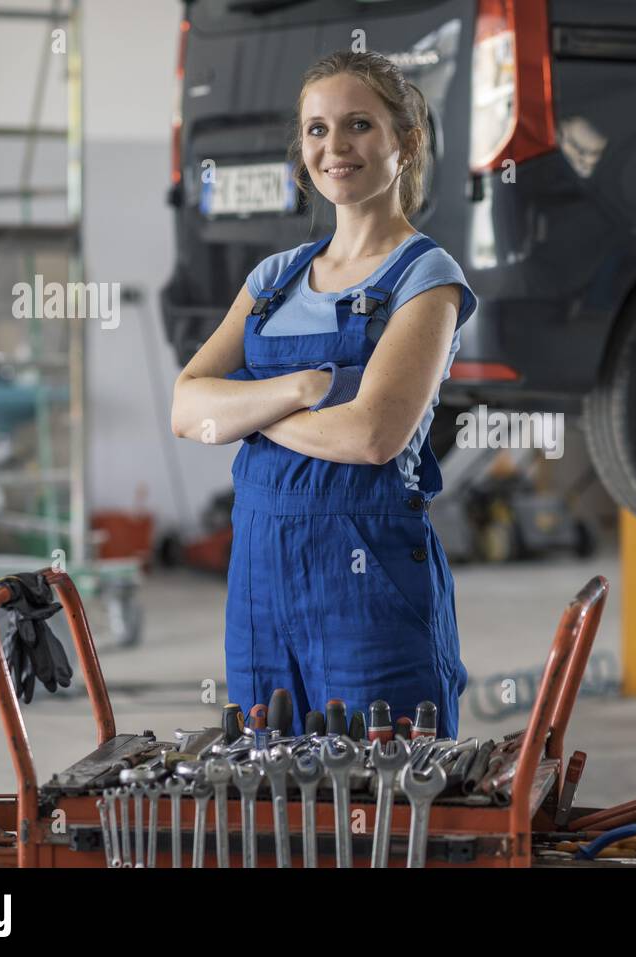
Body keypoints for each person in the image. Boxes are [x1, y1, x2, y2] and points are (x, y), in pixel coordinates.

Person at [171, 50, 476, 740]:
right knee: (272, 796)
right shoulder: (274, 278)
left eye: (359, 124)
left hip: (368, 581)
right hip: (258, 580)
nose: (334, 147)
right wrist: (302, 390)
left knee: (385, 801)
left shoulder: (425, 277)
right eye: (315, 129)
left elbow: (371, 435)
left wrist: (250, 409)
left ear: (407, 141)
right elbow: (187, 409)